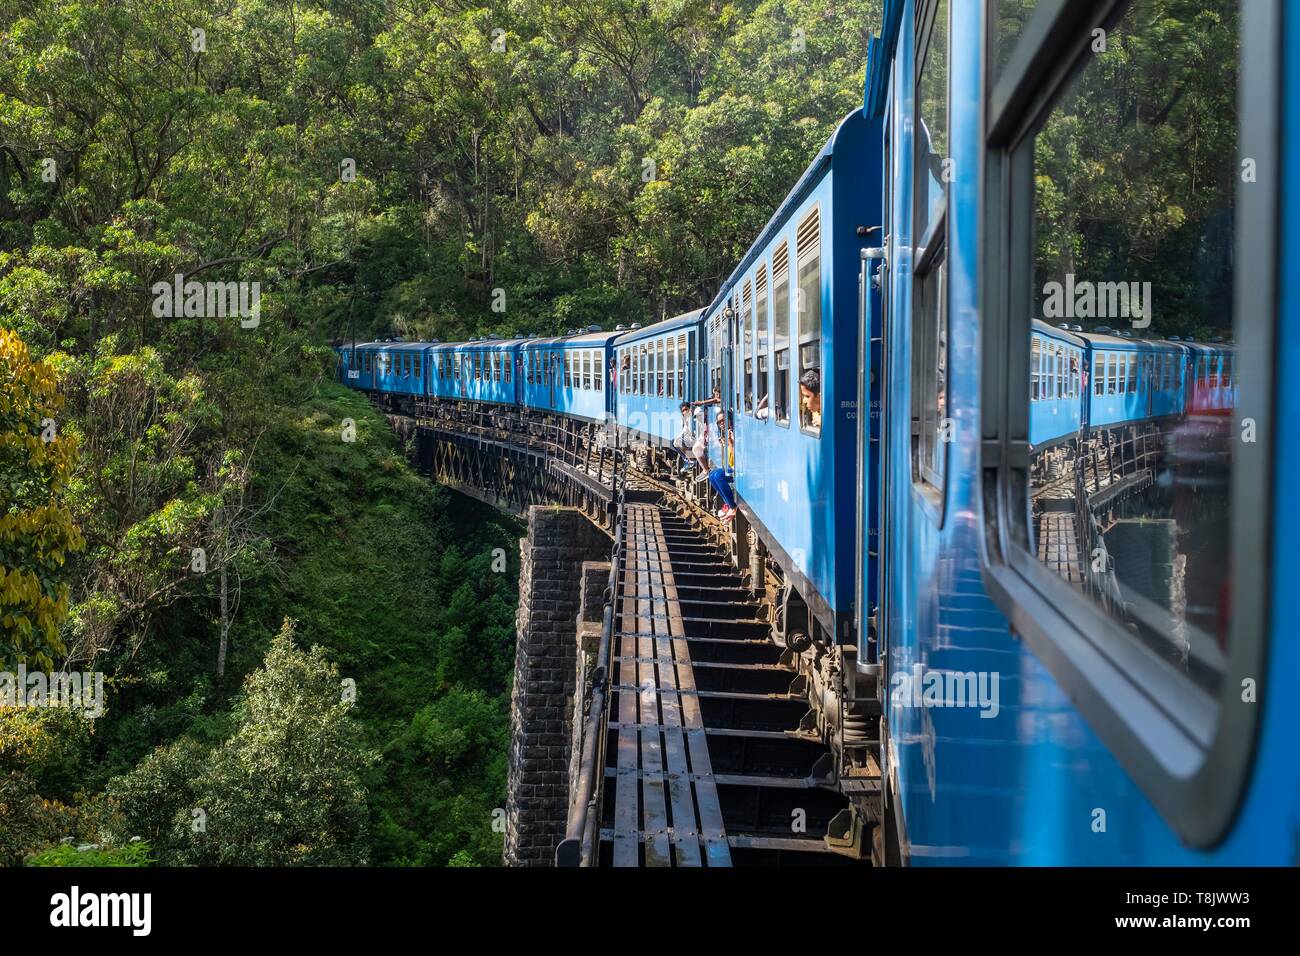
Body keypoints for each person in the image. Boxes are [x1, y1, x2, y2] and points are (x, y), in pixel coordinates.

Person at [708, 415, 736, 520]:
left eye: (724, 420)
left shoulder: (735, 433)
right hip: (731, 466)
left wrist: (729, 442)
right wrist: (724, 445)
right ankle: (728, 503)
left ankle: (733, 506)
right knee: (711, 475)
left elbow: (737, 457)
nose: (722, 424)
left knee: (719, 476)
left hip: (738, 469)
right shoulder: (727, 433)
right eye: (719, 422)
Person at [671, 403, 697, 472]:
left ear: (689, 409)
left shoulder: (692, 417)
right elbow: (685, 430)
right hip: (690, 437)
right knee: (674, 442)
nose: (684, 411)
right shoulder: (686, 418)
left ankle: (691, 460)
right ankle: (686, 459)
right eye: (683, 411)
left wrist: (680, 437)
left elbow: (690, 431)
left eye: (686, 409)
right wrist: (679, 437)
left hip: (695, 438)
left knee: (680, 442)